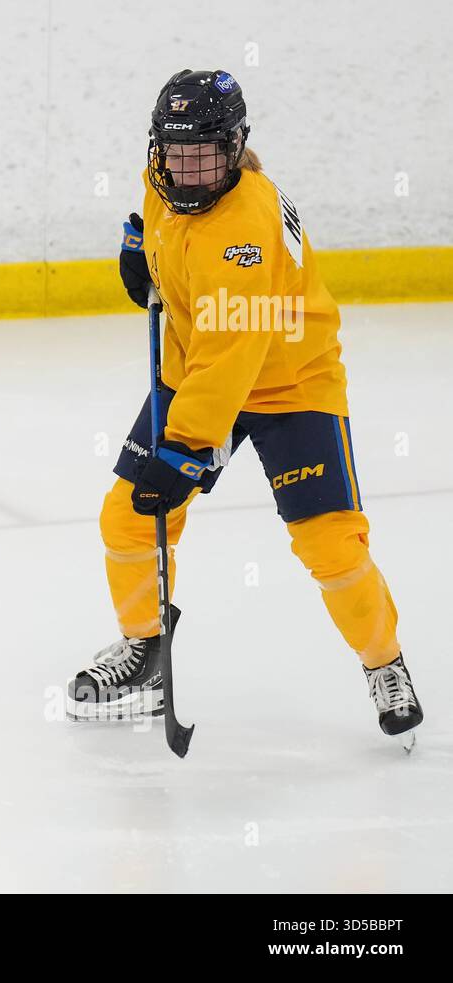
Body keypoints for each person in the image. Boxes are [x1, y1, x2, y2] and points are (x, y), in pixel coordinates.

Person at [66, 71, 422, 743]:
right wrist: (140, 245)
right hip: (198, 368)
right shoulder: (164, 176)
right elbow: (159, 225)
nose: (187, 169)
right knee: (129, 519)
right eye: (176, 153)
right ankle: (146, 651)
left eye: (204, 155)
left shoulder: (244, 231)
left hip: (290, 382)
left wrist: (184, 444)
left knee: (332, 547)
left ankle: (385, 662)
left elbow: (234, 351)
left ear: (234, 150)